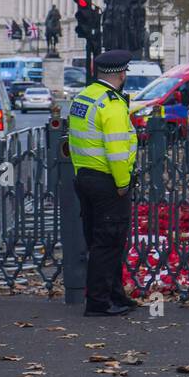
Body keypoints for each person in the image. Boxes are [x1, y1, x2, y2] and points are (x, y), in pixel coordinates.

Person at [68, 49, 138, 317]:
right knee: (108, 243)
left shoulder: (84, 97)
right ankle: (99, 302)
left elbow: (74, 140)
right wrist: (123, 183)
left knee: (100, 240)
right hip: (108, 182)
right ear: (121, 74)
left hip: (85, 177)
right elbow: (117, 151)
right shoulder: (112, 104)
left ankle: (115, 295)